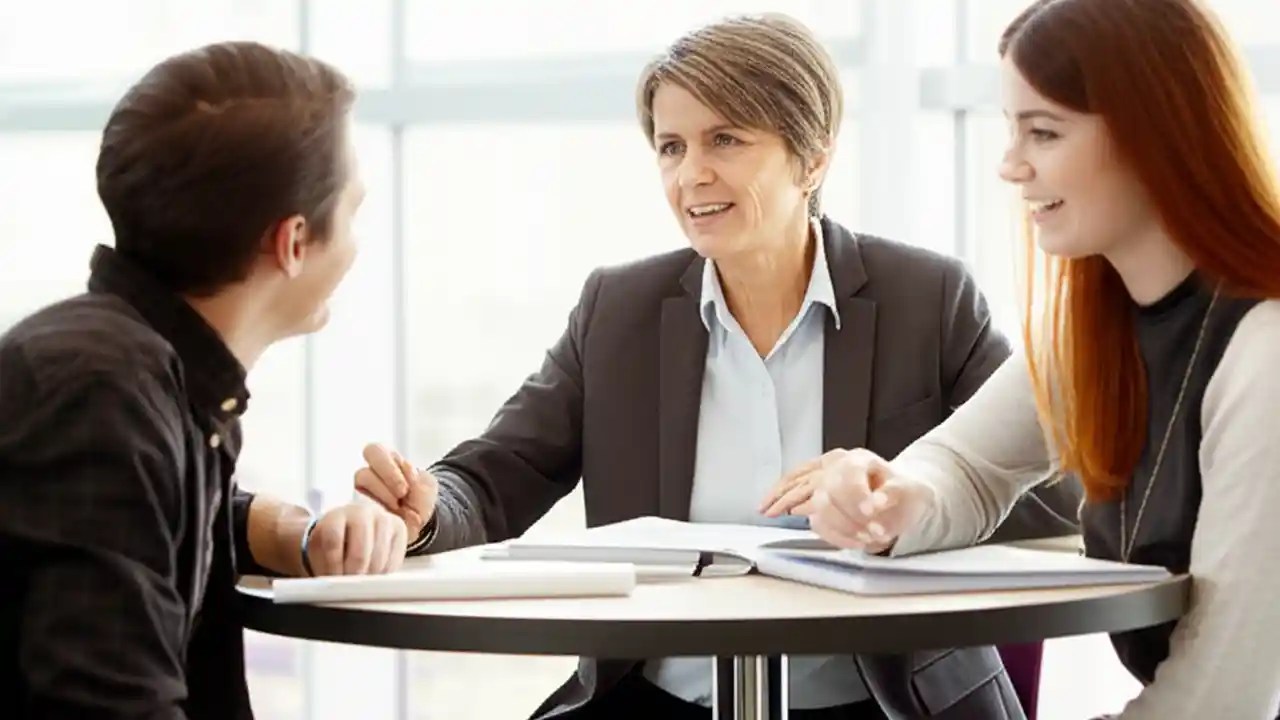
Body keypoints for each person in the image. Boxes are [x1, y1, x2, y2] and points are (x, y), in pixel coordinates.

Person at [357, 13, 1079, 720]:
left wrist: (898, 502)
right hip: (658, 697)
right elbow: (492, 478)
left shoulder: (926, 297)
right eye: (671, 147)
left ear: (814, 156)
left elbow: (1053, 496)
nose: (690, 175)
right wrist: (426, 511)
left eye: (725, 140)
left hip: (883, 701)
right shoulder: (619, 310)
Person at [794, 1, 1280, 718]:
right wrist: (890, 500)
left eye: (1043, 132)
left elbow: (1226, 696)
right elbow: (967, 466)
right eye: (1011, 129)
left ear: (1160, 135)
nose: (1010, 165)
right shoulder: (1097, 325)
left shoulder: (1263, 348)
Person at [0, 42, 412, 719]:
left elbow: (136, 522)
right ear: (292, 242)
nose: (358, 245)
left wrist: (293, 534)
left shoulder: (136, 371)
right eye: (354, 212)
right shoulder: (98, 396)